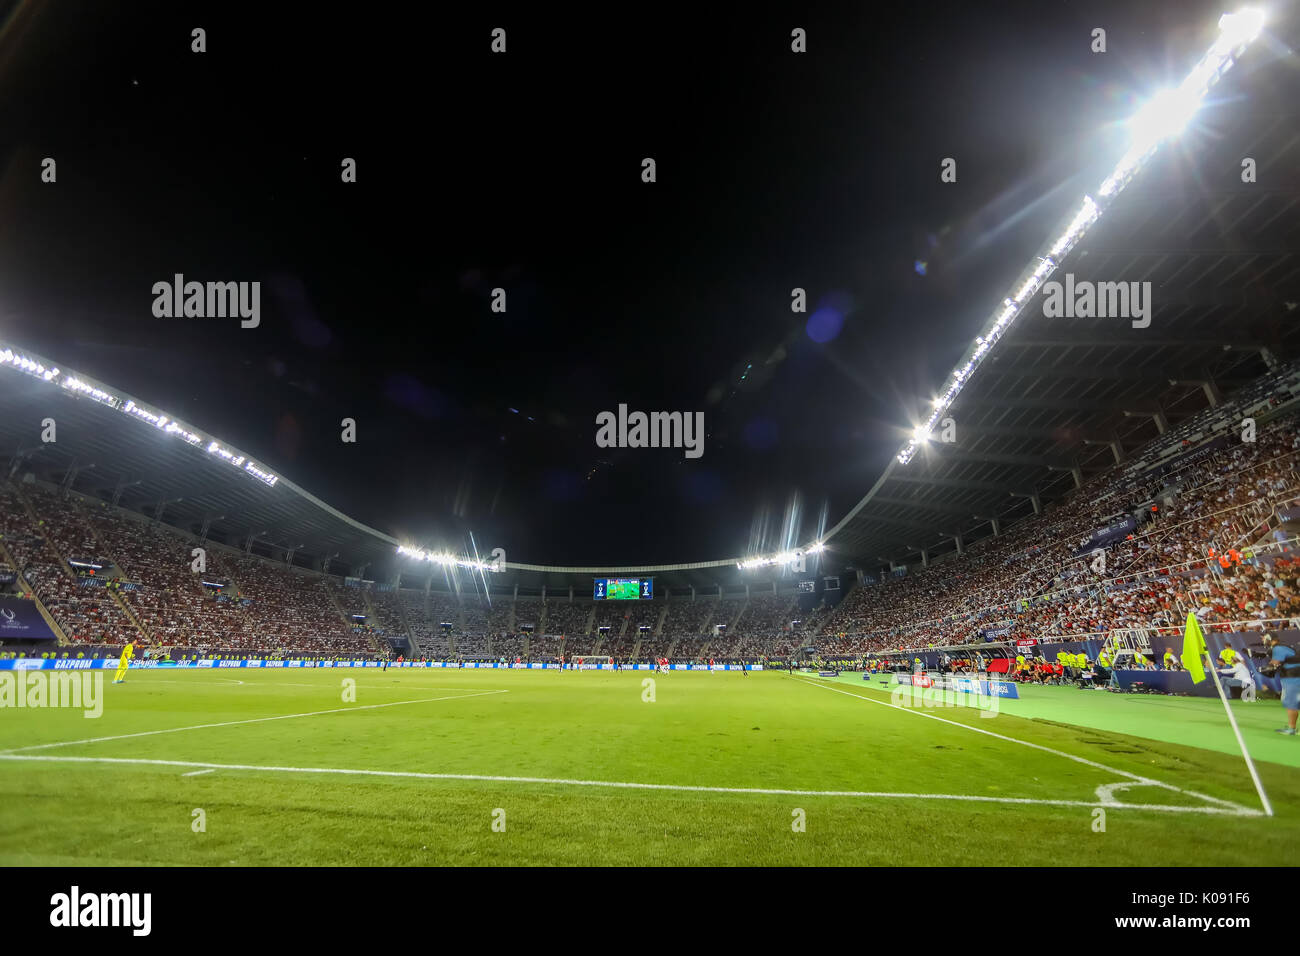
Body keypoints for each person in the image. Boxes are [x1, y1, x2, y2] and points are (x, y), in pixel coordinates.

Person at [1261, 633, 1300, 735]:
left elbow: (1275, 662)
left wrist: (1266, 666)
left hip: (1293, 677)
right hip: (1293, 676)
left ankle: (1291, 729)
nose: (1262, 640)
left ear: (1269, 638)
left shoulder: (1277, 648)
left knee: (1291, 703)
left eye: (1263, 638)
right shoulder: (1283, 647)